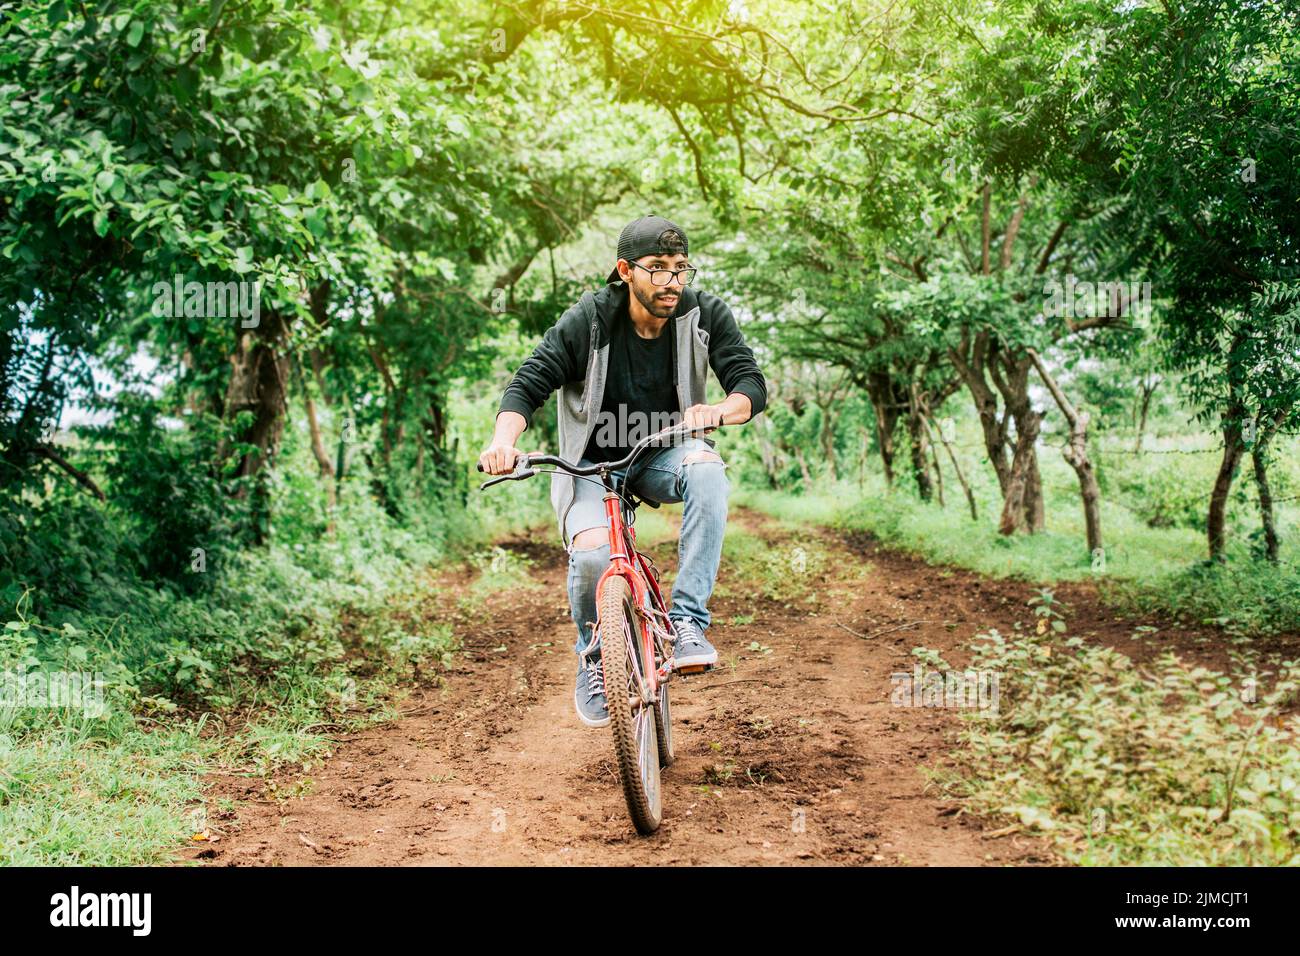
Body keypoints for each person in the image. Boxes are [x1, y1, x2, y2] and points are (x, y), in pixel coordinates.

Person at [478, 215, 767, 727]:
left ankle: (688, 621)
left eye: (680, 269)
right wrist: (503, 441)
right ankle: (595, 655)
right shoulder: (589, 320)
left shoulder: (703, 314)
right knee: (591, 556)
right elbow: (529, 383)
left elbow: (749, 382)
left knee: (706, 469)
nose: (671, 282)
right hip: (589, 463)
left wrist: (720, 410)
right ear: (625, 271)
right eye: (657, 269)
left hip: (660, 455)